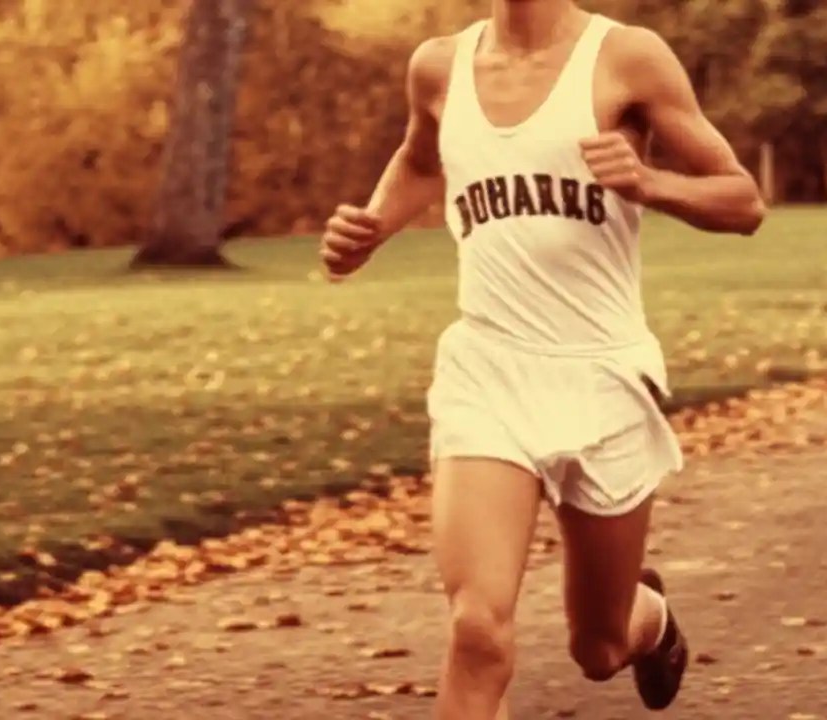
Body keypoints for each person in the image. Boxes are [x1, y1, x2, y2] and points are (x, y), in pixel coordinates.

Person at [319, 1, 765, 717]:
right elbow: (421, 162)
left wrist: (649, 182)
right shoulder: (438, 67)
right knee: (477, 628)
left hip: (603, 377)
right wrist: (372, 227)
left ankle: (647, 621)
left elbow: (743, 201)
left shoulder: (627, 57)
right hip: (488, 371)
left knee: (599, 647)